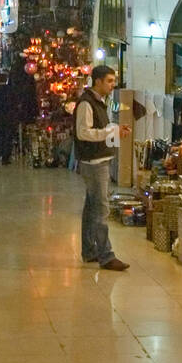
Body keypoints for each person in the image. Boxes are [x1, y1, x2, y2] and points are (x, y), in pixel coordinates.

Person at [76, 65, 129, 271]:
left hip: (99, 159)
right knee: (101, 209)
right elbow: (83, 133)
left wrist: (114, 130)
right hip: (94, 162)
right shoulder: (86, 104)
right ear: (97, 81)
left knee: (91, 208)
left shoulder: (99, 102)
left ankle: (89, 250)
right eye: (109, 81)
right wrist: (107, 133)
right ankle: (106, 256)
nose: (112, 85)